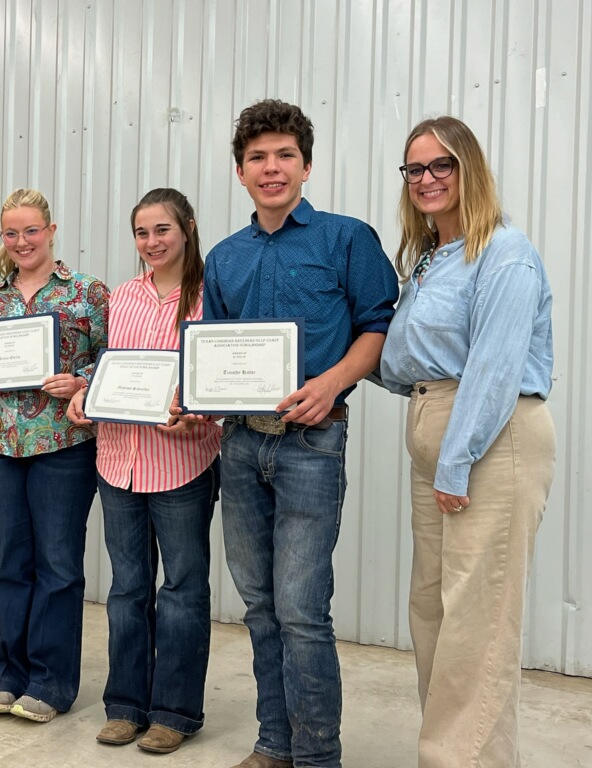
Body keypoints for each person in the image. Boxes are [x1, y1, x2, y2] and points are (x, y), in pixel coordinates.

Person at [203, 100, 399, 768]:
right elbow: (214, 352)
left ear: (306, 165)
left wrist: (332, 382)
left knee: (300, 609)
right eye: (257, 157)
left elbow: (379, 326)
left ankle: (319, 755)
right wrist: (194, 395)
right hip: (240, 445)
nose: (272, 167)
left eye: (285, 154)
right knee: (259, 605)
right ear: (240, 172)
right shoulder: (225, 257)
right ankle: (274, 740)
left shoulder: (347, 239)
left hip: (312, 445)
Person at [380, 116, 555, 768]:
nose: (426, 179)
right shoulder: (431, 255)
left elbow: (494, 366)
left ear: (468, 168)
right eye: (414, 168)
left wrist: (455, 461)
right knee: (433, 610)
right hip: (437, 426)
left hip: (492, 438)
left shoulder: (503, 249)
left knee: (476, 625)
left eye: (441, 165)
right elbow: (406, 358)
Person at [66, 188, 221, 753]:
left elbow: (222, 377)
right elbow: (108, 368)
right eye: (141, 232)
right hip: (117, 461)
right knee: (128, 589)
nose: (151, 242)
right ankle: (126, 705)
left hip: (181, 463)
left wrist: (196, 413)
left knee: (181, 590)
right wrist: (85, 394)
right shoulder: (122, 296)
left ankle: (175, 712)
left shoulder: (209, 295)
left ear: (187, 227)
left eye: (162, 230)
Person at [0, 188, 109, 723]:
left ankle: (51, 683)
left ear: (51, 229)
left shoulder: (88, 292)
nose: (22, 241)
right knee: (11, 567)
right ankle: (9, 676)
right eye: (11, 233)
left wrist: (82, 379)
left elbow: (115, 359)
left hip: (62, 445)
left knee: (58, 566)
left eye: (31, 230)